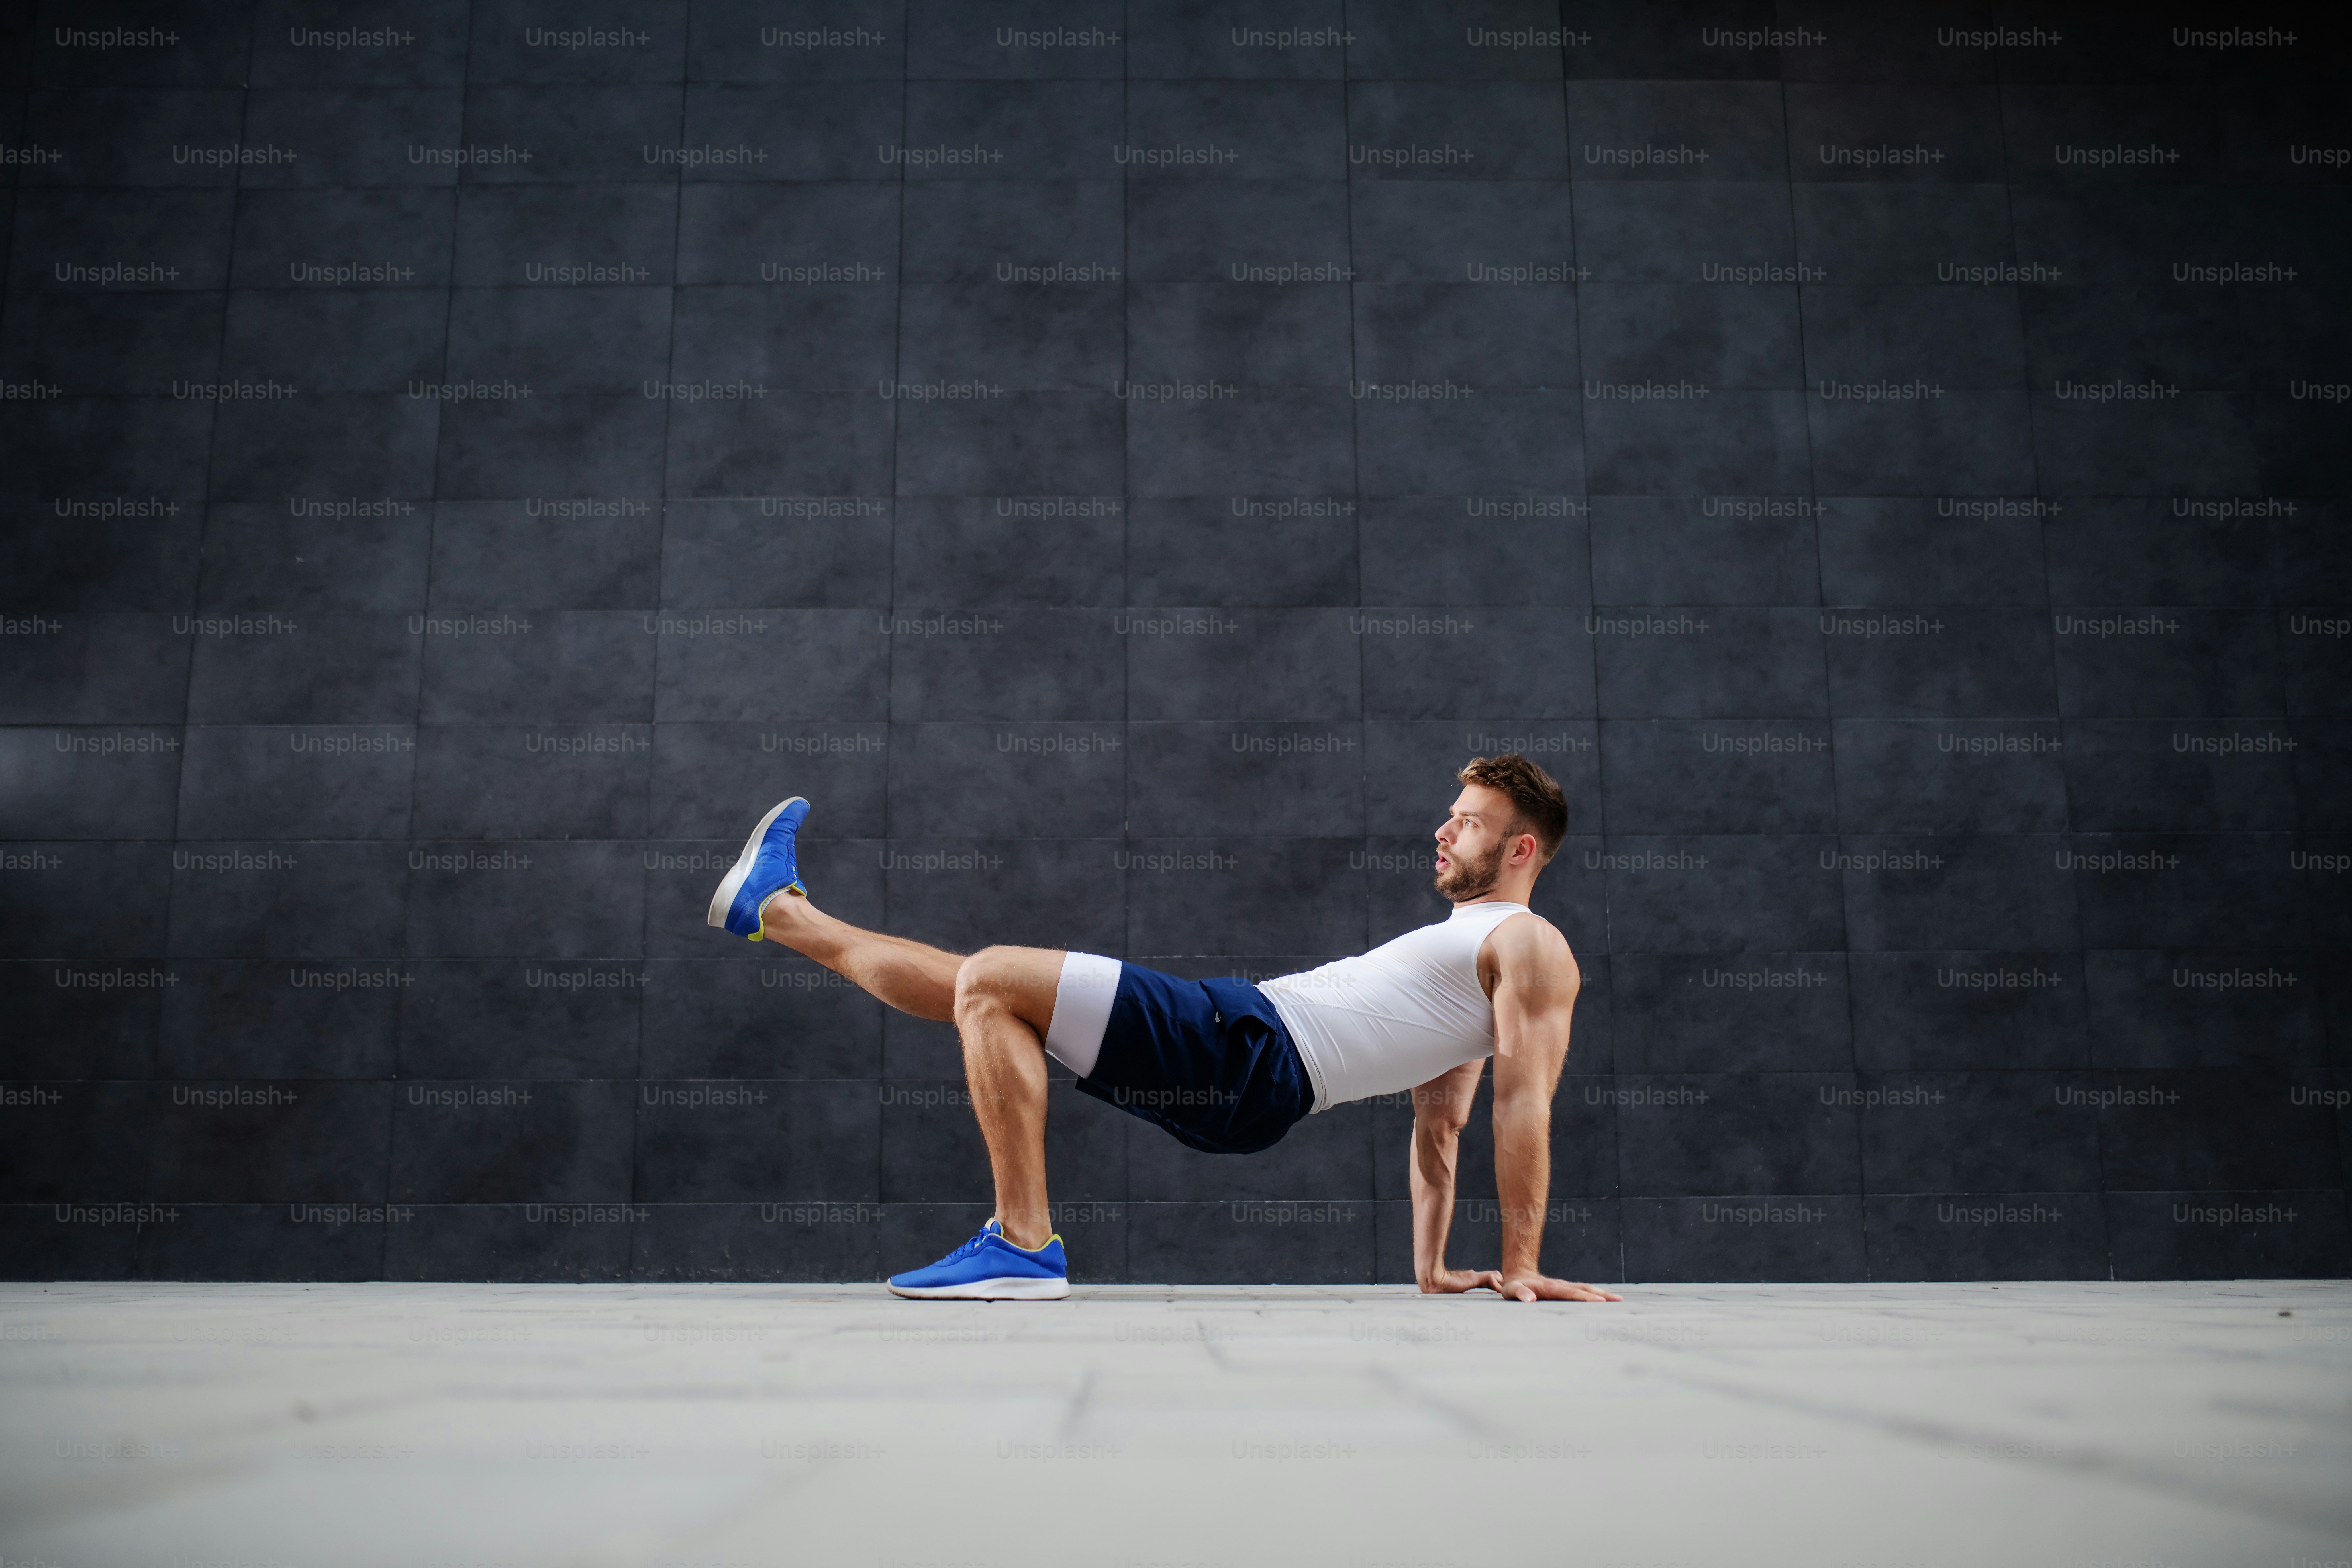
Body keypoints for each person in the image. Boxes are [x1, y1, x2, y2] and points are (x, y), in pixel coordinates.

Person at [707, 752, 1621, 1305]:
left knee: (989, 977)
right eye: (1451, 816)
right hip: (1249, 1075)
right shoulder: (1470, 950)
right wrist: (1433, 1270)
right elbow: (1441, 1121)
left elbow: (1522, 1105)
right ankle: (779, 911)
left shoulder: (1530, 943)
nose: (1443, 832)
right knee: (986, 994)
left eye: (1467, 825)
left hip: (1253, 1048)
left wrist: (1523, 1266)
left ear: (1521, 849)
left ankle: (1024, 1247)